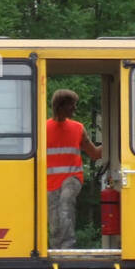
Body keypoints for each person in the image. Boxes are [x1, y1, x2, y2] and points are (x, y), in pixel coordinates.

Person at [46, 89, 103, 249]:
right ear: (60, 106)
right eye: (72, 106)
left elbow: (94, 154)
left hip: (72, 178)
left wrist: (118, 138)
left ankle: (67, 248)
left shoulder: (78, 128)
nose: (75, 110)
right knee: (55, 219)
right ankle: (57, 251)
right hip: (49, 183)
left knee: (65, 204)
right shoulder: (42, 129)